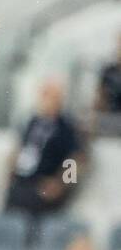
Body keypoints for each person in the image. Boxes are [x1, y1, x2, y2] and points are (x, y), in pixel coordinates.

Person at [5, 80, 84, 216]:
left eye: (51, 96)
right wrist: (10, 172)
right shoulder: (32, 122)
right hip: (23, 181)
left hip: (45, 185)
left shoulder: (66, 127)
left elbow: (77, 159)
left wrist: (60, 184)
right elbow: (20, 150)